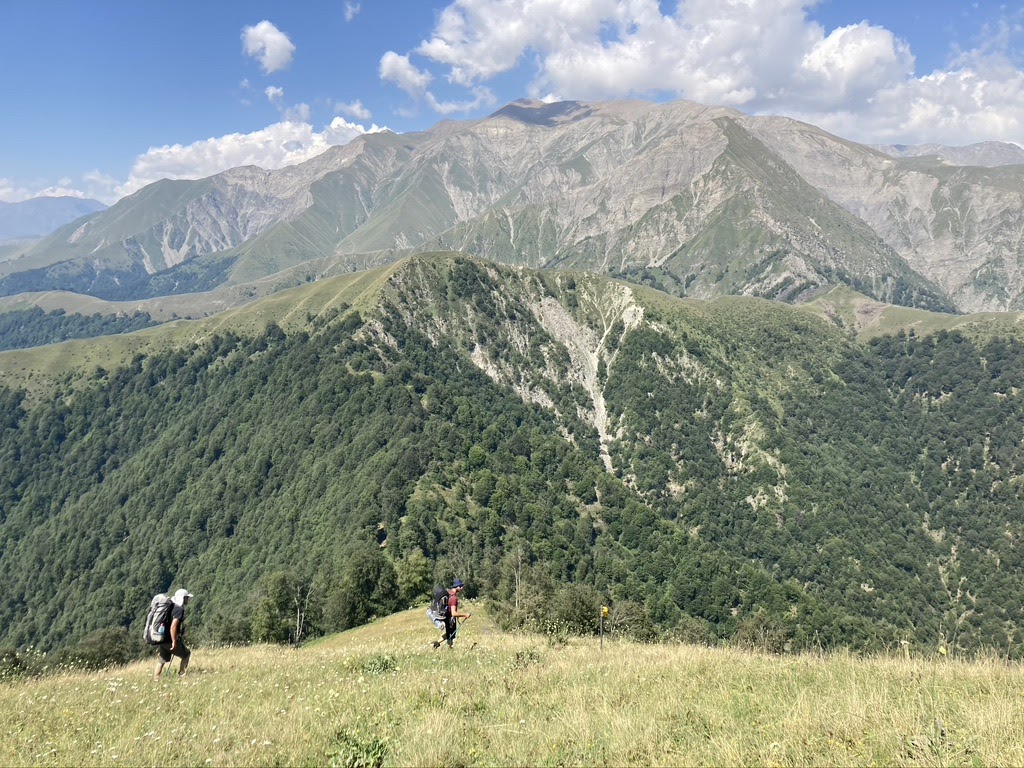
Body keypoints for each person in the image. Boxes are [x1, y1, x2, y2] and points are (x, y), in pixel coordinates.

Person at [154, 588, 194, 680]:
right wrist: (174, 641)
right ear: (183, 598)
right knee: (186, 654)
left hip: (162, 638)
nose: (188, 599)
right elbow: (173, 626)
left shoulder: (170, 606)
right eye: (187, 597)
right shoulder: (179, 609)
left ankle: (156, 680)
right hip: (169, 639)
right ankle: (182, 675)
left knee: (162, 660)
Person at [433, 578, 471, 649]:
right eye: (461, 586)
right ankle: (438, 644)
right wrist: (465, 615)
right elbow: (453, 613)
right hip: (450, 618)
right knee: (450, 634)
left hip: (447, 617)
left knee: (449, 634)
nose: (462, 588)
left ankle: (446, 647)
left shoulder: (449, 593)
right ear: (457, 587)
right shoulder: (454, 598)